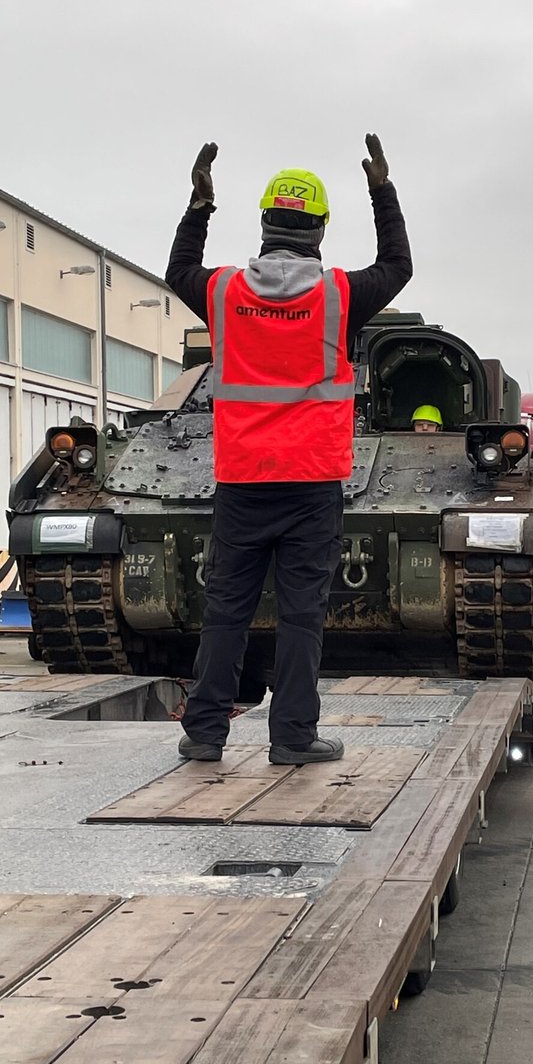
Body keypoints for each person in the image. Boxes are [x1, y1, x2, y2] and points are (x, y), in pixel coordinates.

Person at [166, 134, 412, 764]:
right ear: (320, 229)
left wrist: (199, 207)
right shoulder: (339, 295)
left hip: (243, 480)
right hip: (310, 484)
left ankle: (204, 734)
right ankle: (293, 737)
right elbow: (398, 266)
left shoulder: (222, 293)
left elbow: (178, 272)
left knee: (226, 610)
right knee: (302, 615)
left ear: (266, 223)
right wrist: (383, 193)